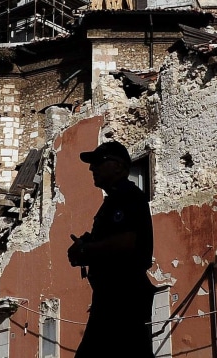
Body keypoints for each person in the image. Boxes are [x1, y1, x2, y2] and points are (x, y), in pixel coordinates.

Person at [68, 141, 155, 357]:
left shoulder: (127, 196)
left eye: (99, 162)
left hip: (122, 294)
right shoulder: (114, 201)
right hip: (112, 294)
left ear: (118, 166)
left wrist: (86, 250)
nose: (92, 168)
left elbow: (126, 242)